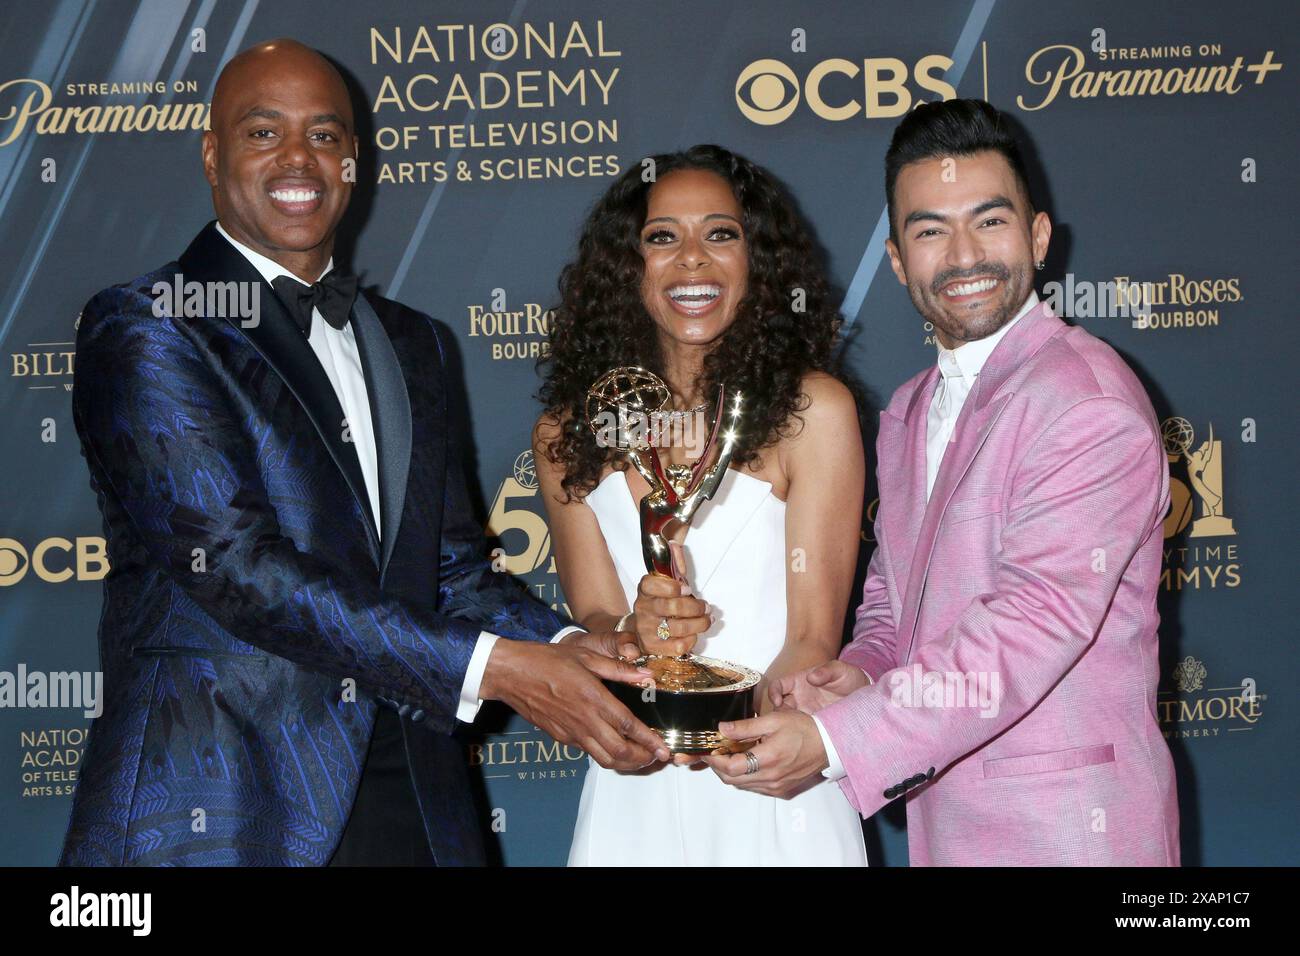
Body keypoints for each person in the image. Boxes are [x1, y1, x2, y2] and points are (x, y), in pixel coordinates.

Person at [58, 38, 667, 868]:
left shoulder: (411, 342)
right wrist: (497, 669)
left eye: (325, 134)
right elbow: (238, 569)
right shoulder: (150, 325)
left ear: (354, 160)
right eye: (263, 132)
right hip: (224, 798)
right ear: (211, 153)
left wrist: (562, 649)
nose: (298, 158)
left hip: (414, 790)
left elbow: (449, 567)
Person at [706, 99, 1180, 866]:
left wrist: (835, 738)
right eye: (930, 230)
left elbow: (1031, 625)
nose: (963, 256)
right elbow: (898, 605)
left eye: (989, 221)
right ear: (898, 259)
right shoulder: (909, 408)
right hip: (944, 826)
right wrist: (852, 675)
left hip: (1068, 833)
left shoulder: (1086, 403)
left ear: (1038, 236)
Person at [534, 145, 869, 866]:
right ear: (627, 267)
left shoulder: (814, 413)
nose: (693, 260)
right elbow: (595, 618)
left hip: (772, 779)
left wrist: (727, 733)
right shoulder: (567, 433)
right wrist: (633, 633)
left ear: (758, 260)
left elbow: (813, 638)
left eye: (721, 233)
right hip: (633, 789)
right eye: (662, 237)